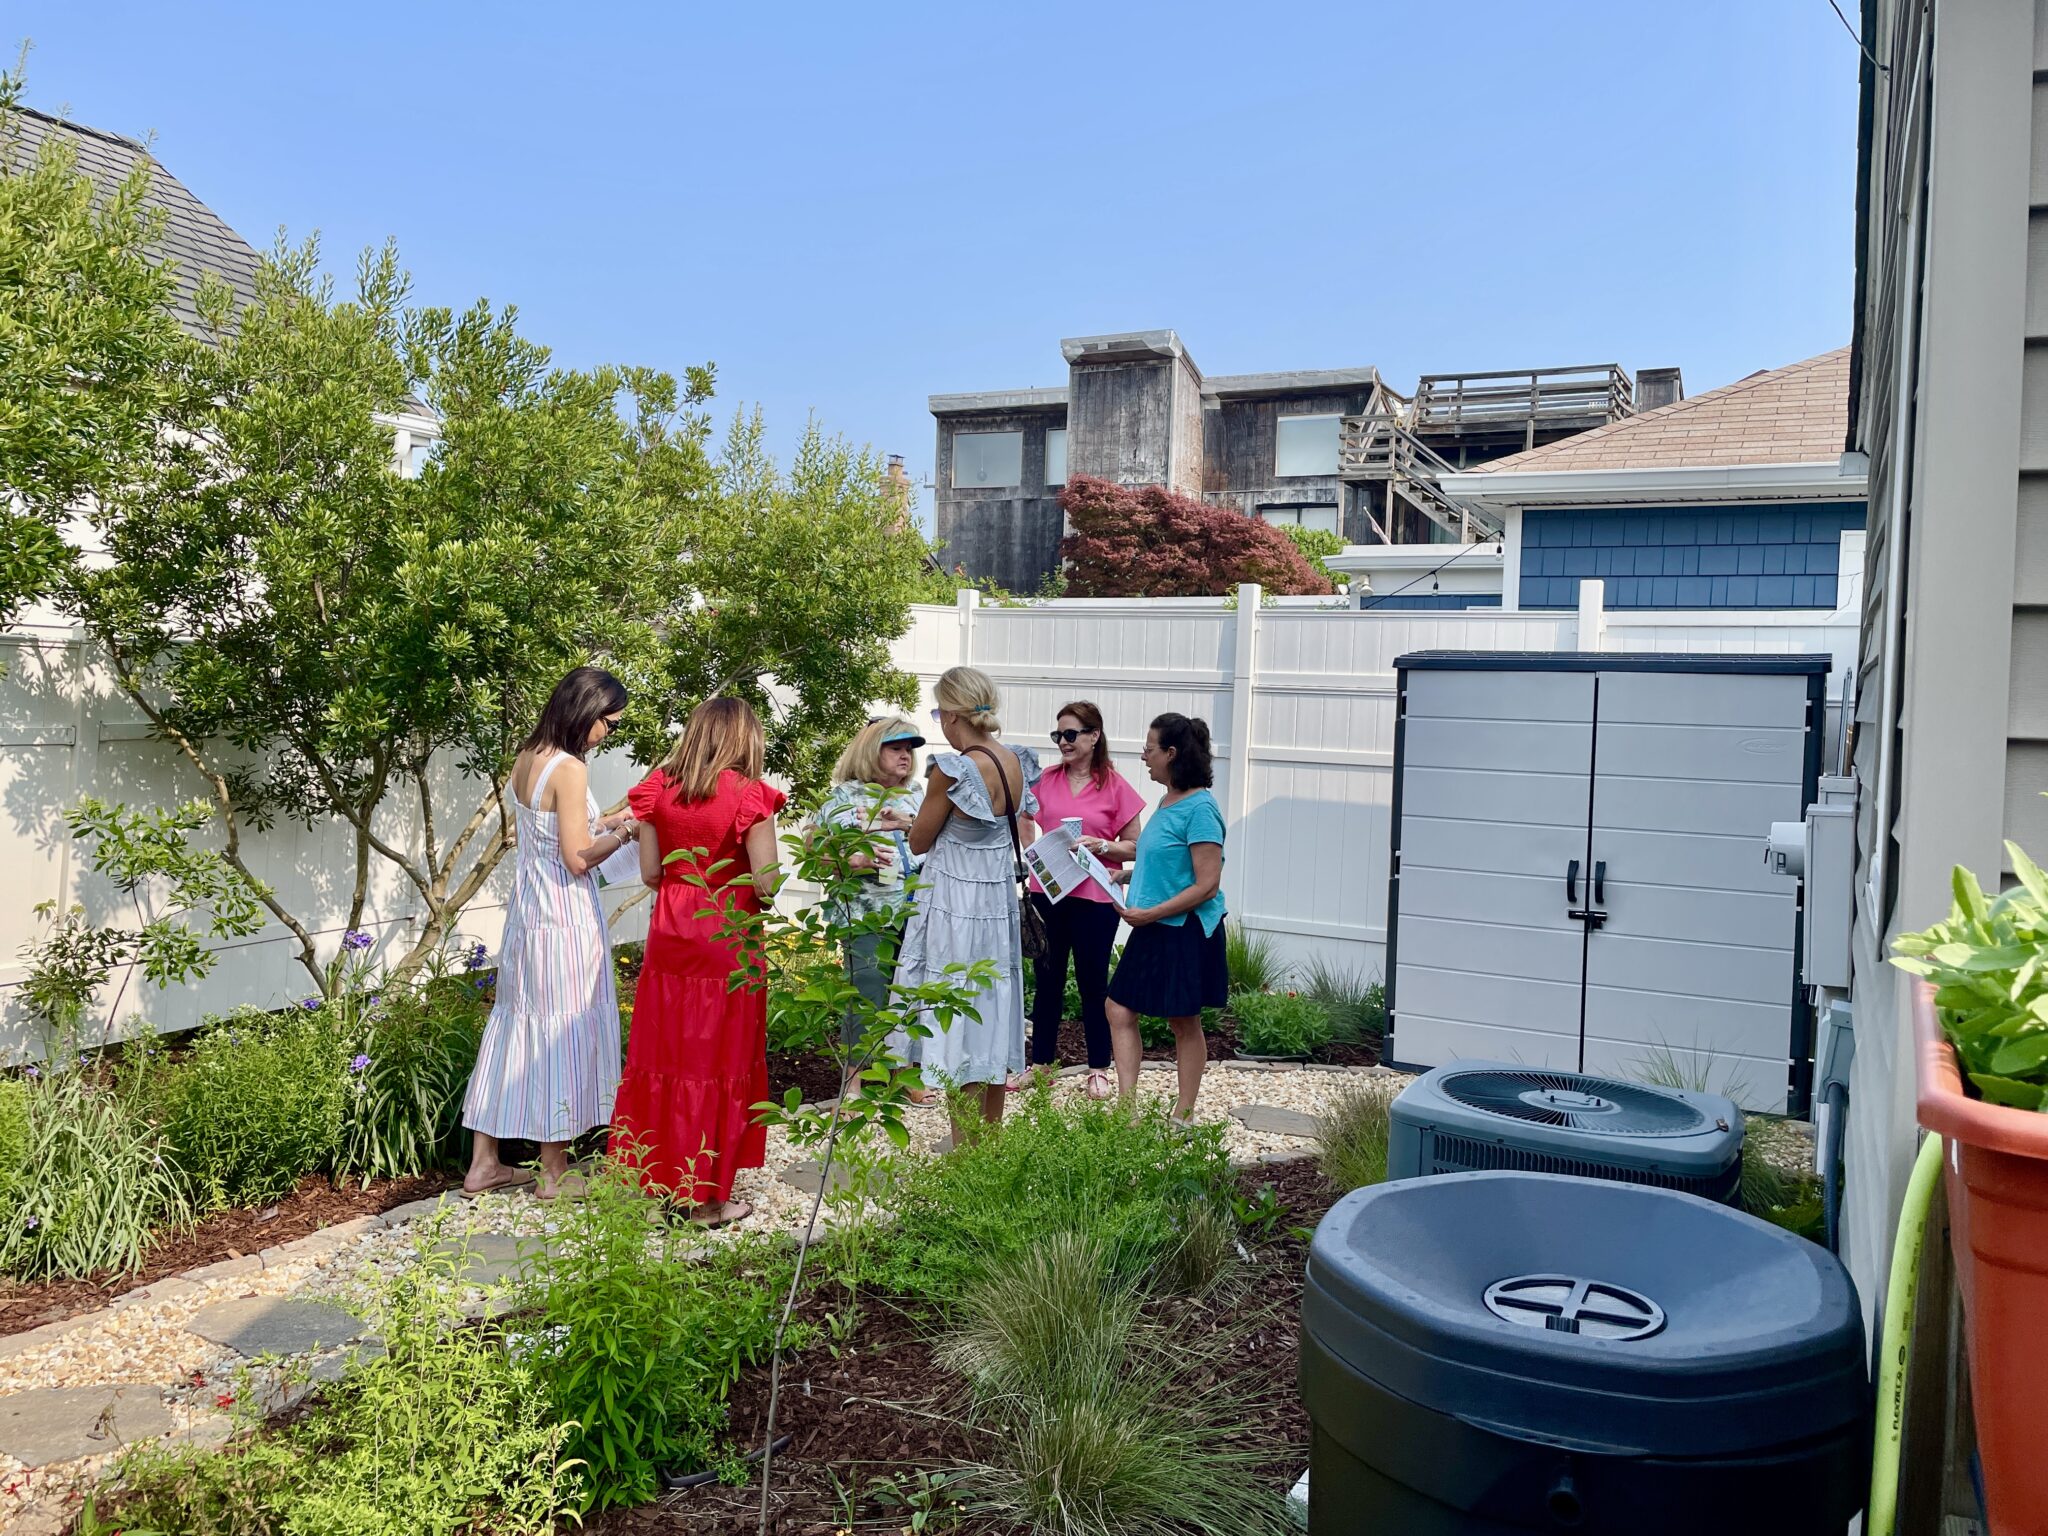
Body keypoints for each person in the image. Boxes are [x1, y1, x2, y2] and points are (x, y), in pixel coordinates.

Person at [462, 666, 636, 1201]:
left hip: (528, 917)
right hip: (563, 919)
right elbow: (578, 857)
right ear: (586, 712)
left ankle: (483, 1165)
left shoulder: (528, 756)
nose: (608, 732)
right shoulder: (571, 768)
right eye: (608, 721)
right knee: (560, 1032)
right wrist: (630, 829)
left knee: (514, 1030)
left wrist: (610, 819)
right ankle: (554, 1174)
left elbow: (558, 831)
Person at [611, 696, 785, 1226]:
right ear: (744, 738)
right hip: (726, 935)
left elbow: (648, 873)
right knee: (719, 1061)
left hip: (672, 932)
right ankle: (706, 1199)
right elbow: (768, 885)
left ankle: (661, 1179)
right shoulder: (748, 796)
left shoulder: (659, 790)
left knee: (668, 1055)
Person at [897, 665, 1040, 1140]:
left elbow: (920, 841)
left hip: (955, 900)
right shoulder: (1016, 760)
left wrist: (904, 821)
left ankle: (964, 1151)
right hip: (995, 903)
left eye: (939, 711)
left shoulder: (952, 768)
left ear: (955, 713)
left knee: (953, 1011)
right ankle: (988, 1147)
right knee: (991, 1012)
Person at [1016, 701, 1144, 1101]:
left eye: (1071, 735)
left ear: (1094, 736)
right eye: (1058, 736)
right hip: (1048, 893)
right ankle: (1040, 1066)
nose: (1063, 743)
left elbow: (1136, 847)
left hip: (1095, 898)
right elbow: (1022, 816)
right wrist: (1032, 848)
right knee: (1047, 981)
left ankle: (1098, 1068)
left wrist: (1102, 844)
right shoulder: (1045, 780)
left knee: (1093, 984)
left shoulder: (1116, 786)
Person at [1105, 713, 1228, 1121]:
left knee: (1183, 1021)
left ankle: (1184, 1115)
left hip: (1185, 930)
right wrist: (1123, 873)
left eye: (1150, 748)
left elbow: (1206, 885)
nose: (1144, 756)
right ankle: (1128, 1110)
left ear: (1171, 754)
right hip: (1155, 924)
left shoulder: (1202, 810)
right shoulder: (1166, 801)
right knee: (1119, 1008)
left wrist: (1150, 913)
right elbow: (1163, 861)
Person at [811, 716, 927, 1095]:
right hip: (866, 914)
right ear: (869, 750)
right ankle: (854, 1083)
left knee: (912, 993)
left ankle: (906, 1076)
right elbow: (815, 855)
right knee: (867, 994)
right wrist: (853, 861)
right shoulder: (843, 796)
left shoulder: (918, 796)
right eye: (895, 747)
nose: (905, 756)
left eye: (908, 749)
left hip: (917, 912)